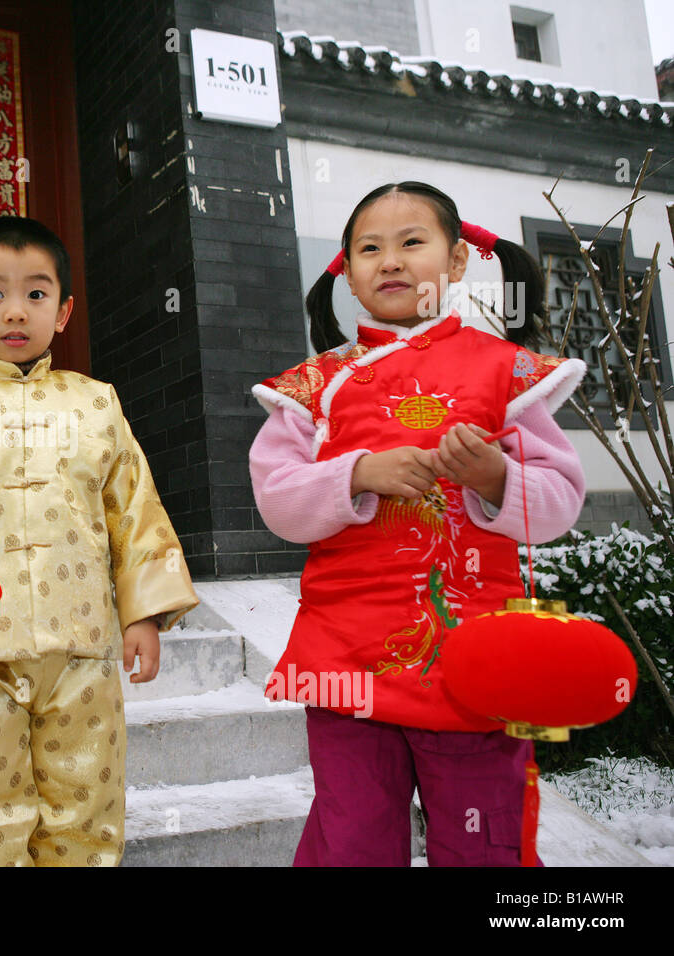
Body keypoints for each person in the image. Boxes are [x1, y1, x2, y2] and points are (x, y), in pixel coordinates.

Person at [249, 182, 587, 866]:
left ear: (457, 261)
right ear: (346, 268)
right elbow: (278, 499)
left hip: (477, 658)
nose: (389, 261)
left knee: (484, 839)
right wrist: (357, 475)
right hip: (345, 659)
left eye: (412, 243)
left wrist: (496, 479)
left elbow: (560, 500)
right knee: (352, 838)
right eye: (369, 248)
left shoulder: (505, 373)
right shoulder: (317, 384)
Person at [0, 216, 199, 866]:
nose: (16, 310)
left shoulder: (97, 404)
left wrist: (144, 612)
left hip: (81, 648)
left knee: (86, 806)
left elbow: (134, 511)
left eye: (36, 293)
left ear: (64, 309)